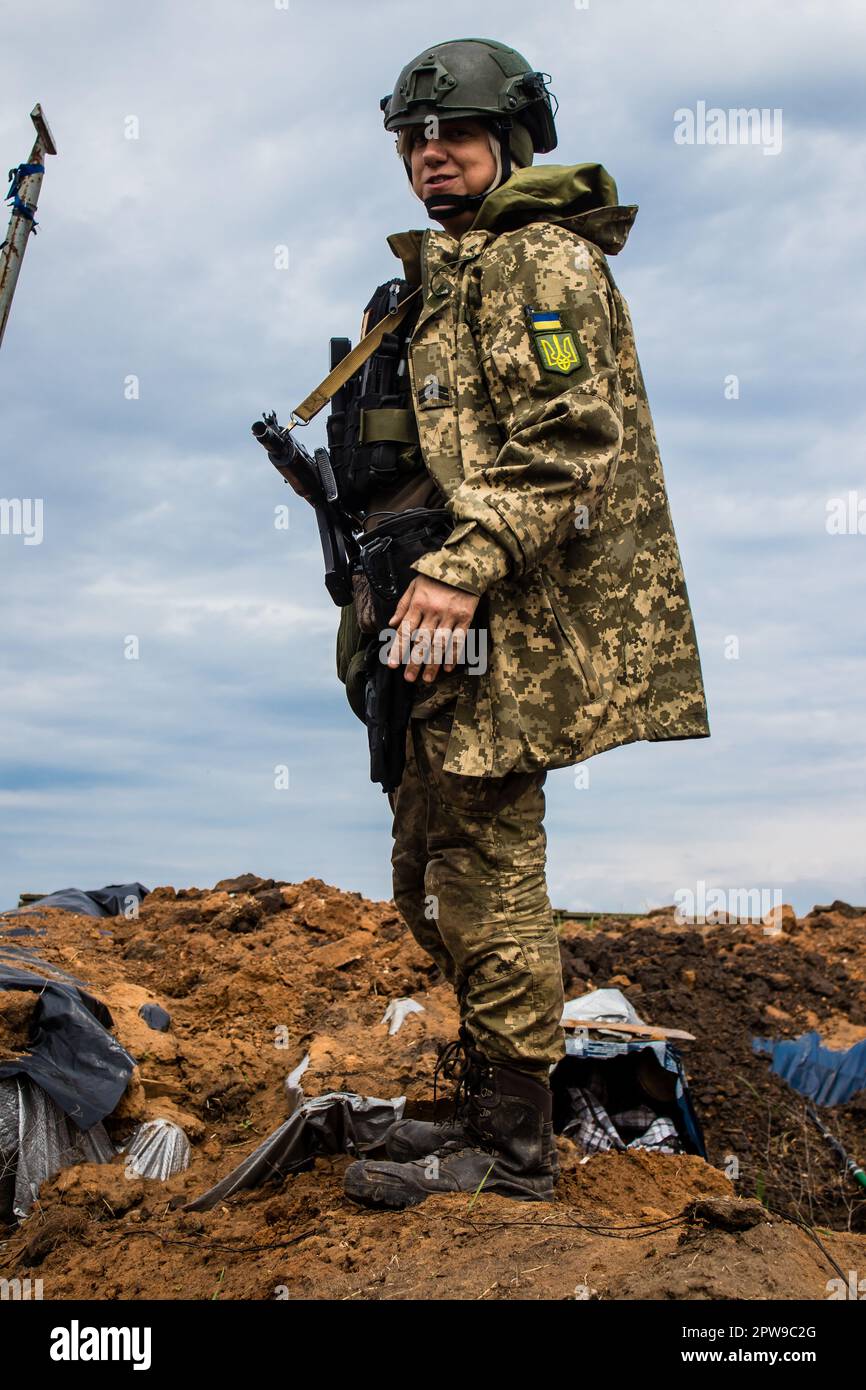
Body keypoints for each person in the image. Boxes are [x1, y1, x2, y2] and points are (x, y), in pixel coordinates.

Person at [326, 38, 710, 1210]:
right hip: (428, 618)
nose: (429, 153)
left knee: (487, 865)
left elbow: (566, 442)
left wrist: (462, 567)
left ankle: (513, 1147)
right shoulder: (441, 278)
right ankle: (493, 1094)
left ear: (510, 140)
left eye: (453, 133)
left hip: (499, 617)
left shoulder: (536, 258)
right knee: (425, 874)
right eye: (412, 138)